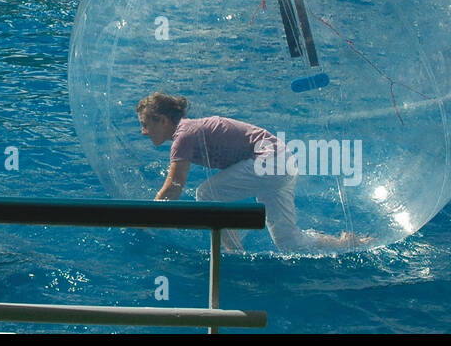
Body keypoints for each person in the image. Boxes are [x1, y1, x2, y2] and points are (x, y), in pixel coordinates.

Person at [136, 91, 365, 253]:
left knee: (206, 194)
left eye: (145, 124)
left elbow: (174, 187)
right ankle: (345, 243)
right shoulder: (190, 130)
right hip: (282, 161)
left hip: (270, 161)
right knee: (289, 242)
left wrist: (143, 220)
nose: (143, 132)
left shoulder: (184, 134)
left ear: (163, 120)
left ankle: (234, 254)